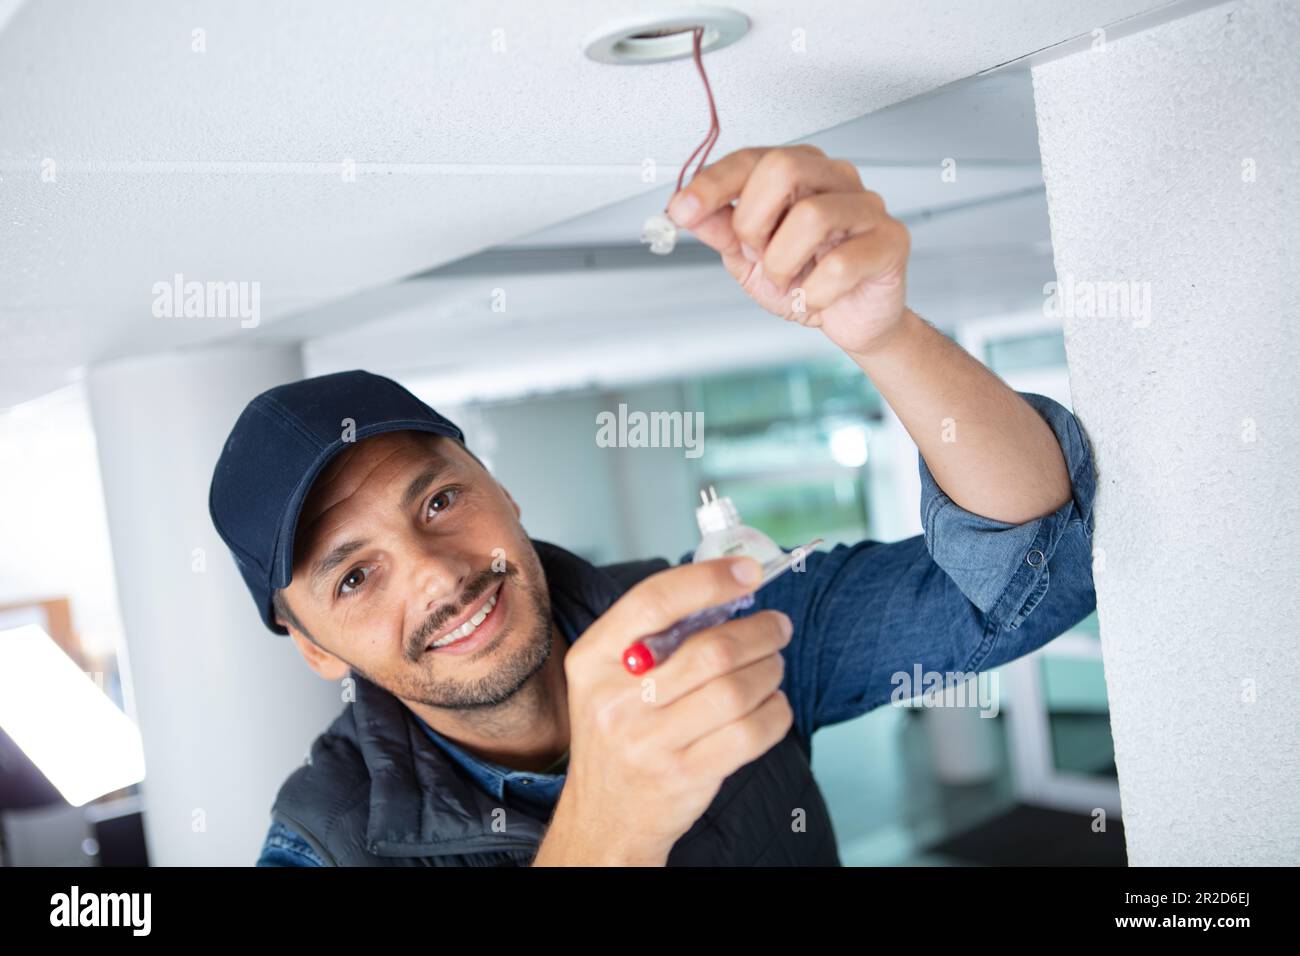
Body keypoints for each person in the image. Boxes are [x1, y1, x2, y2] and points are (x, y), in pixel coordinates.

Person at [209, 145, 1097, 866]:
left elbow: (1031, 573)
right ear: (316, 647)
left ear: (501, 490)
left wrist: (887, 336)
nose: (437, 573)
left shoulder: (723, 629)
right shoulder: (322, 847)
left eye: (440, 499)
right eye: (356, 575)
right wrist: (610, 829)